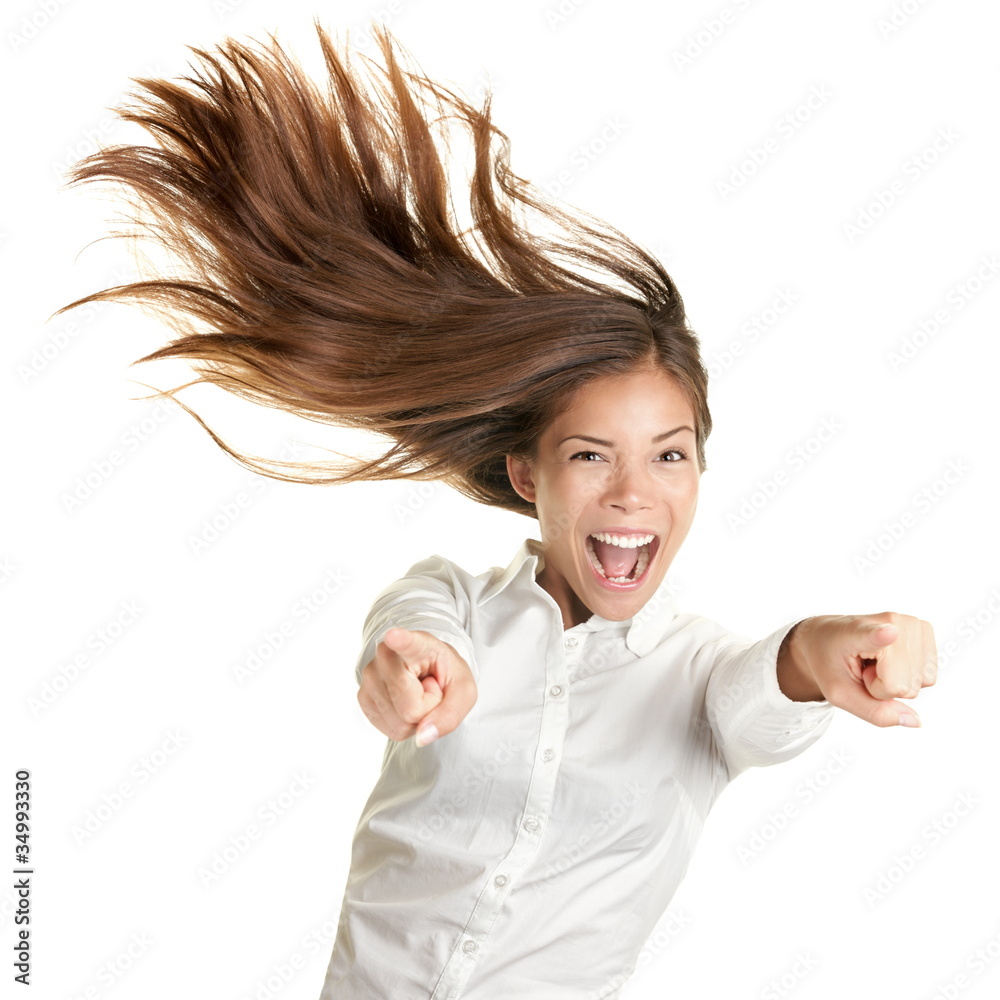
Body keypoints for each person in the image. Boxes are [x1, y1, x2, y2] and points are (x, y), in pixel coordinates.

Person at [53, 19, 938, 998]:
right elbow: (412, 635)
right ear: (529, 476)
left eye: (671, 455)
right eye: (591, 455)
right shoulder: (452, 602)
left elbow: (765, 693)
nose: (634, 491)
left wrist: (834, 644)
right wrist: (413, 672)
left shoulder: (694, 676)